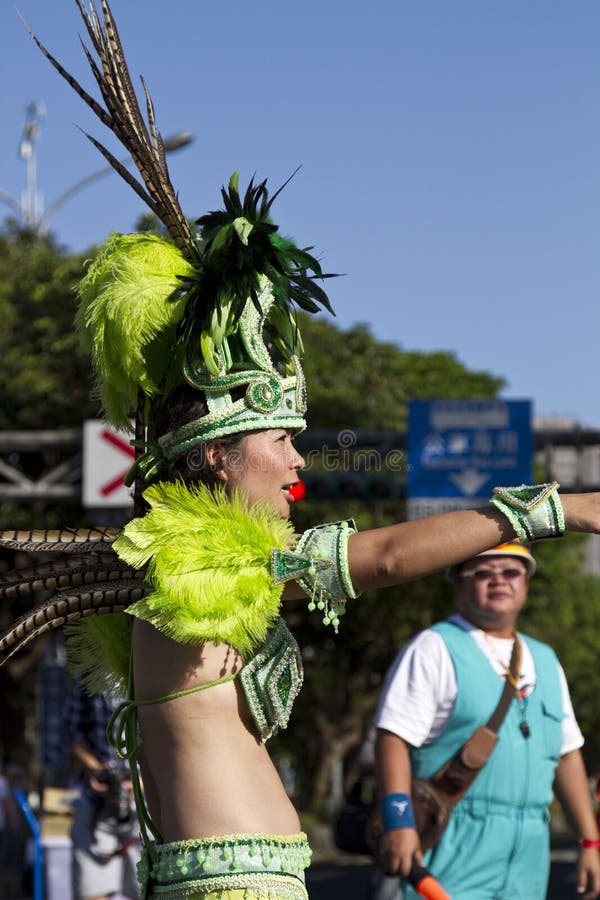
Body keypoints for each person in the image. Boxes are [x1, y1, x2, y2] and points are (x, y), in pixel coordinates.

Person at [3, 3, 600, 898]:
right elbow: (388, 554)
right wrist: (559, 508)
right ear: (212, 456)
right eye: (278, 439)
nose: (296, 462)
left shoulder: (195, 567)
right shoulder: (184, 561)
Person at [374, 541, 600, 900]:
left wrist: (589, 840)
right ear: (458, 584)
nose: (499, 581)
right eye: (482, 573)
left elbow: (567, 754)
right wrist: (399, 822)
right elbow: (392, 738)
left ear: (526, 582)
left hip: (529, 850)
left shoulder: (545, 659)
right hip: (456, 838)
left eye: (511, 571)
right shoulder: (434, 647)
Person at [65, 678, 141, 900]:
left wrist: (140, 783)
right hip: (96, 800)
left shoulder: (153, 666)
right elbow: (72, 734)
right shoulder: (85, 676)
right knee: (92, 888)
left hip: (143, 802)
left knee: (147, 888)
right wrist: (98, 771)